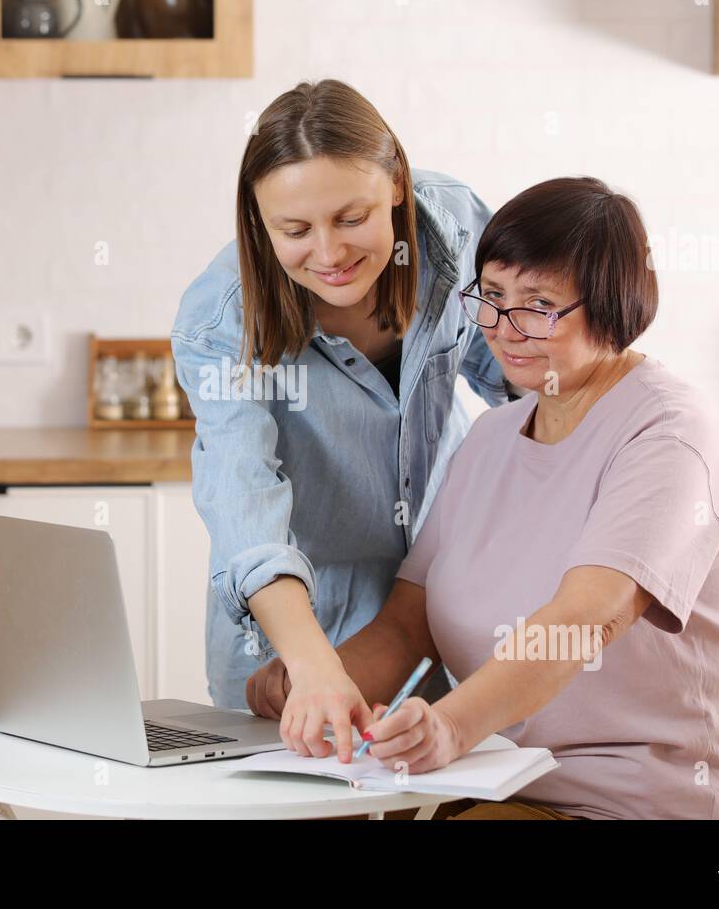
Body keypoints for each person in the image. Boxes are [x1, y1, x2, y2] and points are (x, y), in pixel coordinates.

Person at [247, 177, 719, 819]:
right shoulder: (493, 435)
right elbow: (410, 623)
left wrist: (451, 726)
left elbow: (585, 618)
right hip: (499, 783)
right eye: (491, 297)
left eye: (539, 305)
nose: (503, 329)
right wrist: (318, 684)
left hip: (636, 800)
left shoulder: (669, 434)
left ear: (614, 305)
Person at [170, 79, 510, 759]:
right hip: (295, 650)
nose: (328, 254)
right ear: (258, 221)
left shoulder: (456, 228)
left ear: (396, 183)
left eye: (352, 218)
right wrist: (314, 666)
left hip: (445, 612)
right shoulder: (221, 320)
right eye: (294, 231)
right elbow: (243, 501)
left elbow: (516, 373)